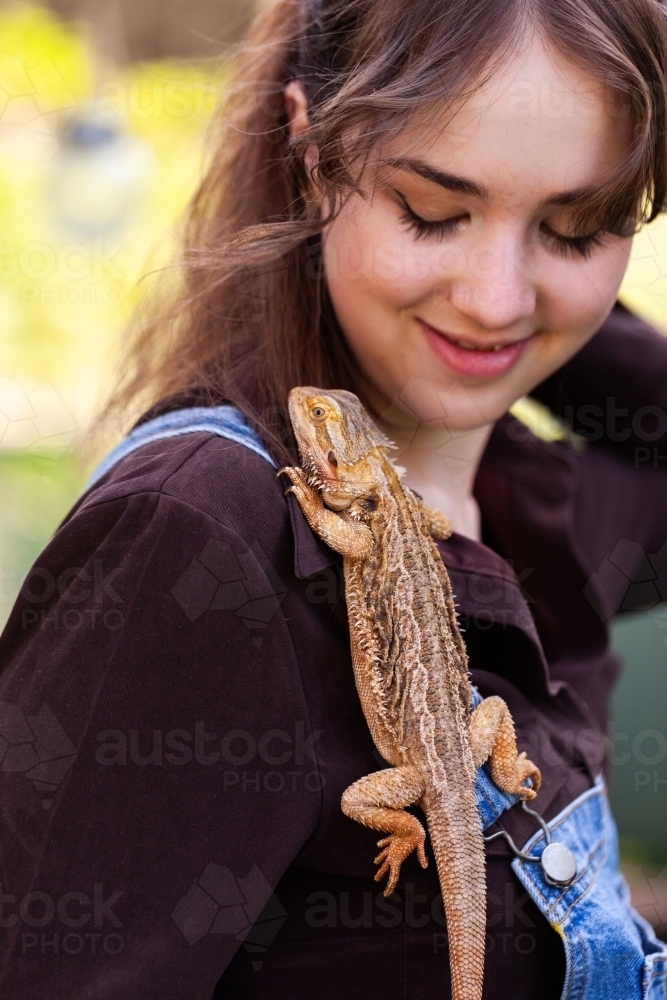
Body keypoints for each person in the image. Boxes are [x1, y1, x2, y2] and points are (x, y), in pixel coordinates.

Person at [1, 0, 667, 996]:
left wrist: (533, 331)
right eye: (432, 210)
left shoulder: (524, 490)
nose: (493, 295)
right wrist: (537, 292)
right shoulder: (198, 528)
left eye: (578, 227)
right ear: (311, 155)